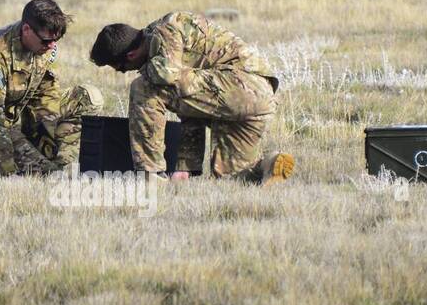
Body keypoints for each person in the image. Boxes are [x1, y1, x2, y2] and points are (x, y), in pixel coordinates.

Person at [88, 11, 294, 184]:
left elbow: (167, 75)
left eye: (121, 68)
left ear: (130, 56)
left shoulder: (165, 31)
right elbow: (189, 106)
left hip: (243, 88)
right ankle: (269, 163)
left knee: (143, 87)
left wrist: (173, 167)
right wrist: (185, 167)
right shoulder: (168, 52)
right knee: (234, 177)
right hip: (250, 98)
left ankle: (149, 175)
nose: (126, 72)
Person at [0, 0, 102, 175]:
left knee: (88, 97)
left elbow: (46, 92)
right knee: (40, 173)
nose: (52, 46)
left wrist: (47, 140)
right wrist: (8, 172)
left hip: (15, 116)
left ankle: (56, 164)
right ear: (27, 29)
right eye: (46, 41)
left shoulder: (43, 44)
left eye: (56, 41)